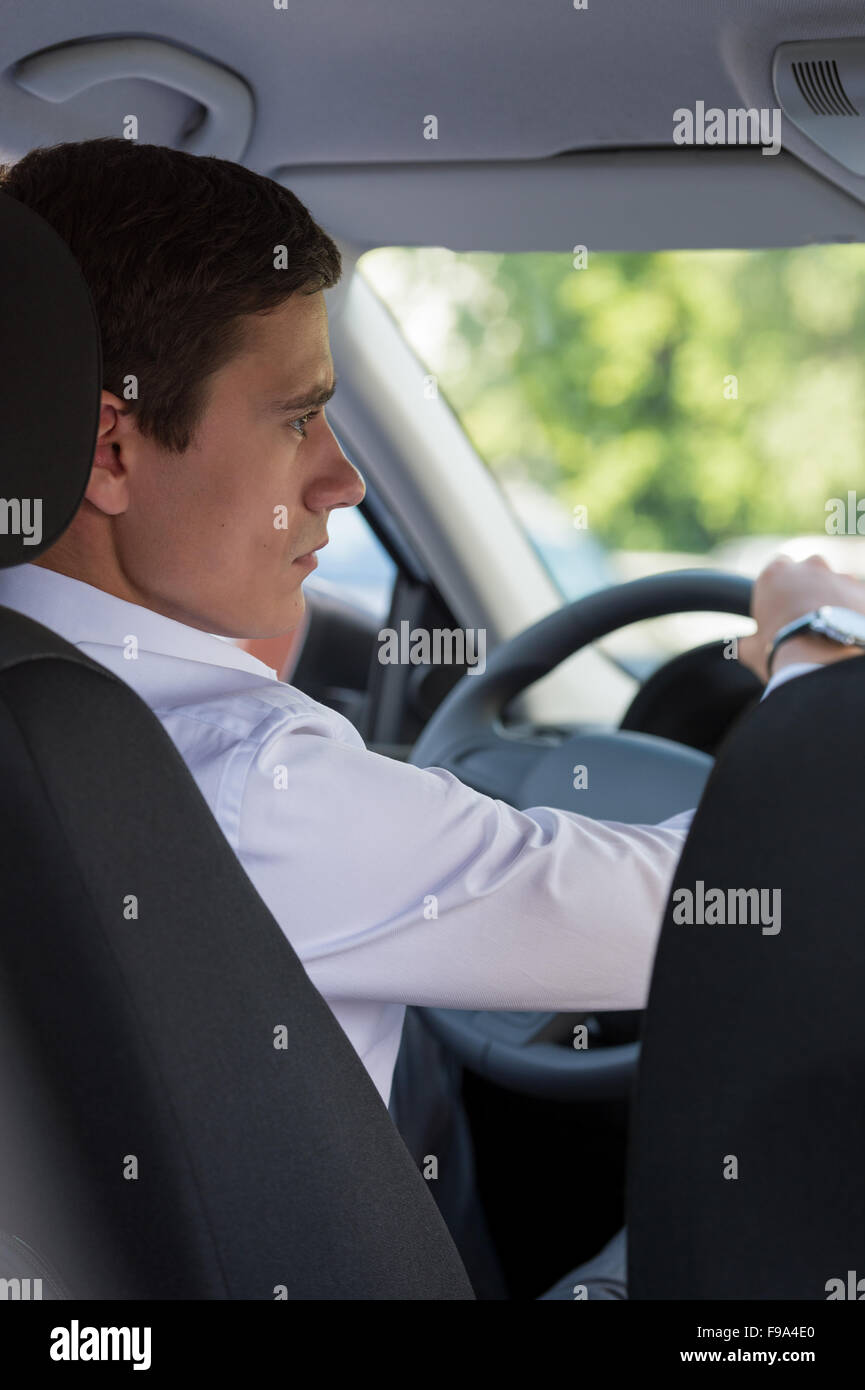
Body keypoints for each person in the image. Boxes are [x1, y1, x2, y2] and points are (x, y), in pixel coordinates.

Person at [1, 139, 862, 1299]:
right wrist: (814, 655)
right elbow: (722, 915)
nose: (342, 479)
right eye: (299, 417)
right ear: (113, 446)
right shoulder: (244, 779)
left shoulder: (49, 712)